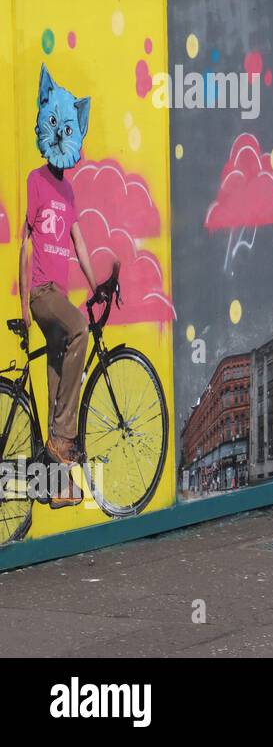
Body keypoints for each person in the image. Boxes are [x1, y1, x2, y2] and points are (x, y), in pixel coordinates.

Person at [19, 65, 114, 508]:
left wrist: (98, 286)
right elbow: (24, 248)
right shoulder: (36, 181)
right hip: (43, 294)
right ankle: (62, 437)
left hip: (59, 294)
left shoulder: (70, 192)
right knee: (79, 330)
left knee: (58, 383)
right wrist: (25, 305)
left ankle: (54, 488)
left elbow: (80, 244)